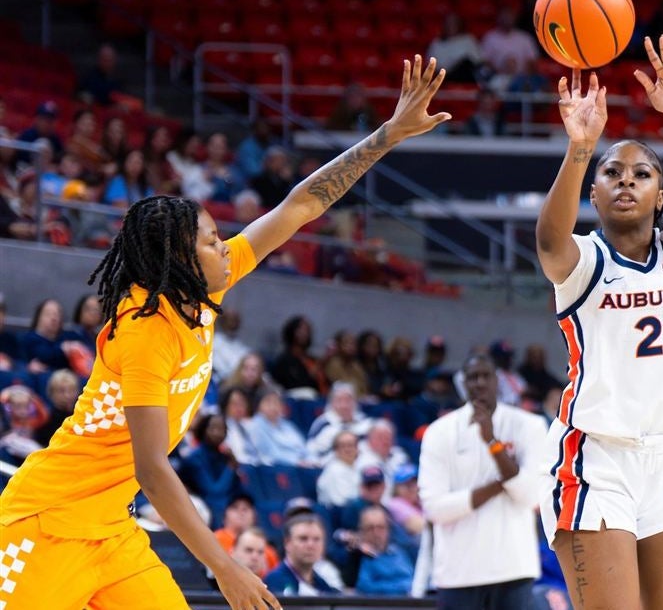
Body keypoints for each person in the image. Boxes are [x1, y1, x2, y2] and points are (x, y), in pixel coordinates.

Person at [0, 53, 451, 610]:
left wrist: (386, 135)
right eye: (211, 242)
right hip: (45, 524)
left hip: (110, 529)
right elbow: (153, 469)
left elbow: (299, 206)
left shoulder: (205, 286)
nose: (225, 247)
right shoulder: (144, 332)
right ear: (179, 261)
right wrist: (225, 566)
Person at [534, 33, 663, 610]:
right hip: (595, 457)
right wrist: (579, 149)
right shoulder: (582, 260)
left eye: (641, 173)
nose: (625, 180)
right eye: (611, 173)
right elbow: (548, 238)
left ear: (661, 193)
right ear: (593, 195)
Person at [418, 354, 547, 609]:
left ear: (497, 381)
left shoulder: (530, 425)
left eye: (485, 376)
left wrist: (492, 443)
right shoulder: (439, 432)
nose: (479, 383)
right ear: (463, 383)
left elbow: (532, 496)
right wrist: (499, 484)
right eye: (472, 377)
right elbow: (434, 508)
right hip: (457, 572)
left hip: (514, 568)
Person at [264, 513, 340, 597]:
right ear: (287, 543)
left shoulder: (325, 586)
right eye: (303, 539)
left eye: (316, 539)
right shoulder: (274, 581)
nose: (310, 545)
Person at [351, 505, 414, 596]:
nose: (376, 533)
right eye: (370, 528)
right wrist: (400, 588)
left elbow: (411, 582)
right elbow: (365, 587)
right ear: (361, 531)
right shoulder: (358, 556)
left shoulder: (400, 553)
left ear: (388, 529)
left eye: (380, 527)